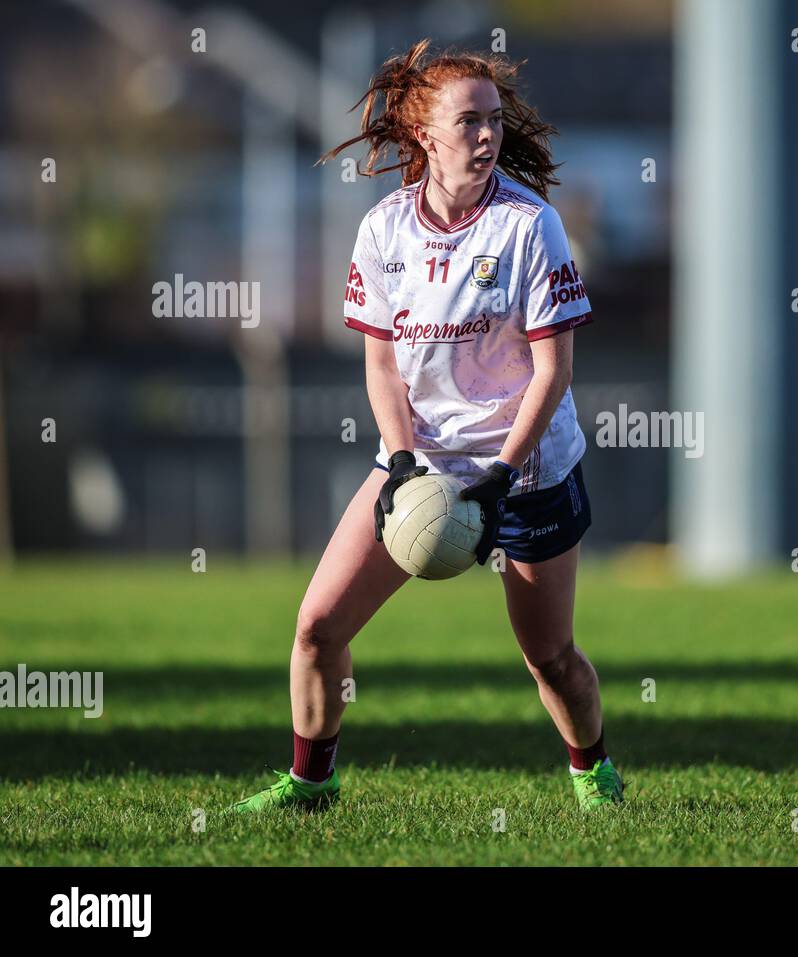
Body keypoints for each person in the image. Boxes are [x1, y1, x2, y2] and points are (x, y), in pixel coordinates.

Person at [232, 40, 623, 813]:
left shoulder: (529, 227)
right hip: (418, 464)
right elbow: (381, 367)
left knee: (549, 657)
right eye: (468, 122)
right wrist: (404, 462)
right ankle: (312, 783)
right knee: (316, 628)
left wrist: (502, 477)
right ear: (424, 137)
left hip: (527, 469)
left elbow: (553, 373)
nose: (487, 136)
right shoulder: (383, 232)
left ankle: (593, 771)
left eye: (494, 121)